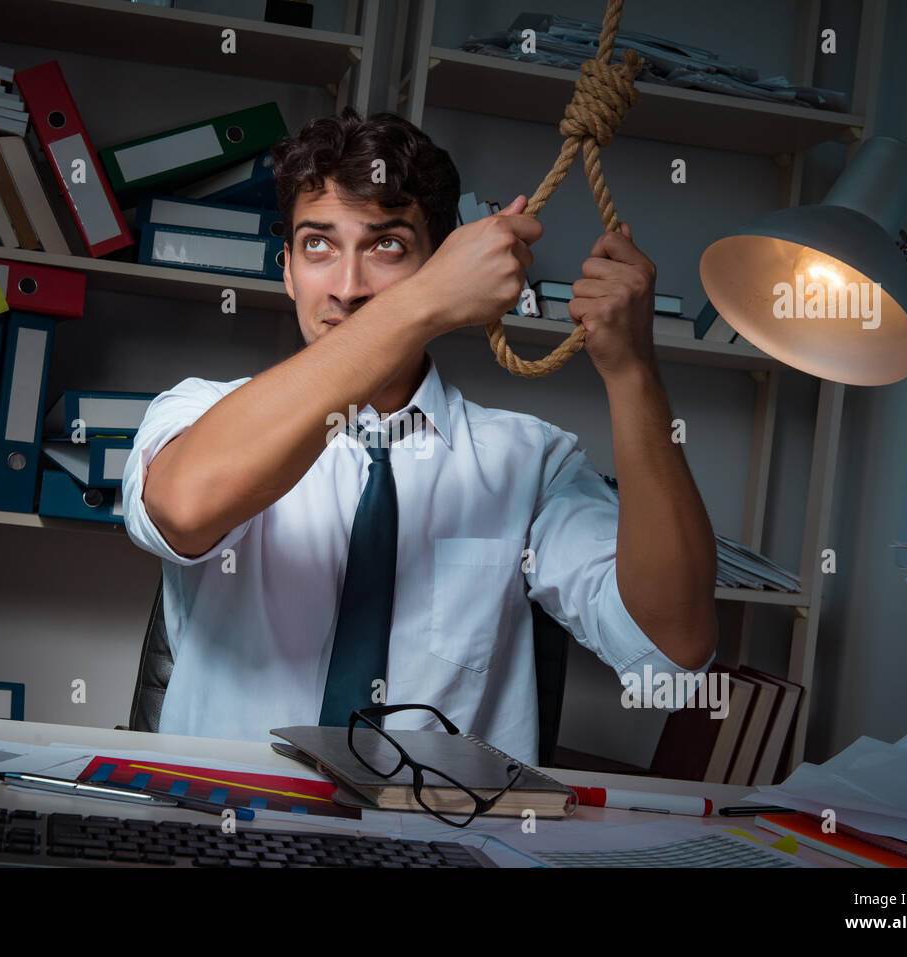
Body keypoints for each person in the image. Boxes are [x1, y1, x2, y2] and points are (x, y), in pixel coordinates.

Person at [123, 108, 718, 765]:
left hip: (437, 841)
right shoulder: (202, 411)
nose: (347, 288)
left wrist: (634, 373)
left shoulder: (529, 461)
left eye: (386, 246)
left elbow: (674, 646)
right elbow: (183, 506)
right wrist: (419, 301)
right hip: (224, 831)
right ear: (287, 269)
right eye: (317, 245)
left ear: (442, 261)